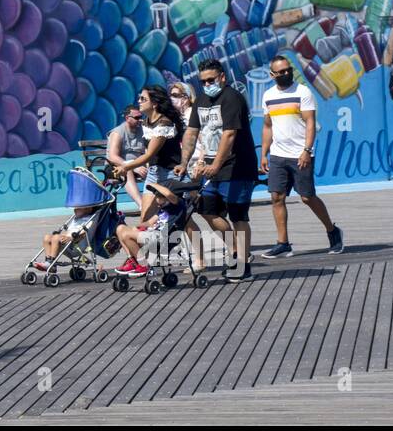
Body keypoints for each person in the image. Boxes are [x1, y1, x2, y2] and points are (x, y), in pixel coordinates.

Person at [175, 59, 260, 281]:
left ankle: (242, 265)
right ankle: (236, 252)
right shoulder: (202, 100)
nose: (207, 84)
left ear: (222, 77)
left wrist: (216, 164)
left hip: (237, 166)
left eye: (211, 80)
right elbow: (192, 133)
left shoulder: (233, 98)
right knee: (207, 211)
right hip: (212, 167)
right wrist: (185, 163)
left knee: (238, 215)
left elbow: (229, 134)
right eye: (202, 81)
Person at [259, 55, 345, 257]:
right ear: (272, 75)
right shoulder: (268, 96)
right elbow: (268, 125)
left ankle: (332, 231)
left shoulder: (302, 92)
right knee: (276, 197)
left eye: (288, 70)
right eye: (281, 72)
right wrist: (264, 153)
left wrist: (307, 150)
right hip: (278, 155)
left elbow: (310, 123)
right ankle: (283, 243)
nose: (286, 73)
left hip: (300, 154)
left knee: (307, 197)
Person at [112, 86, 183, 213]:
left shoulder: (164, 123)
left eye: (143, 99)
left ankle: (198, 233)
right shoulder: (146, 122)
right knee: (146, 217)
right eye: (139, 98)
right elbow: (146, 151)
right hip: (153, 173)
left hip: (170, 173)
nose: (139, 101)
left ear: (154, 104)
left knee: (179, 217)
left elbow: (150, 154)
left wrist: (126, 167)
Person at [112, 179, 189, 277]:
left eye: (158, 197)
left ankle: (143, 265)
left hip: (165, 237)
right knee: (120, 229)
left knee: (127, 235)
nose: (156, 201)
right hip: (153, 235)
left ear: (165, 197)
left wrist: (154, 185)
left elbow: (169, 194)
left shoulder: (178, 205)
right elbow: (149, 223)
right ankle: (132, 261)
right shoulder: (163, 209)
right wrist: (136, 227)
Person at [106, 105, 149, 209]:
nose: (140, 120)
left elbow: (148, 152)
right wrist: (133, 166)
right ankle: (142, 206)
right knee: (126, 169)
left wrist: (149, 165)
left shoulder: (143, 131)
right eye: (137, 118)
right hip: (115, 168)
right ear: (127, 118)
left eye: (141, 117)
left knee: (156, 168)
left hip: (138, 166)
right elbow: (112, 157)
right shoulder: (118, 132)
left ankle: (160, 204)